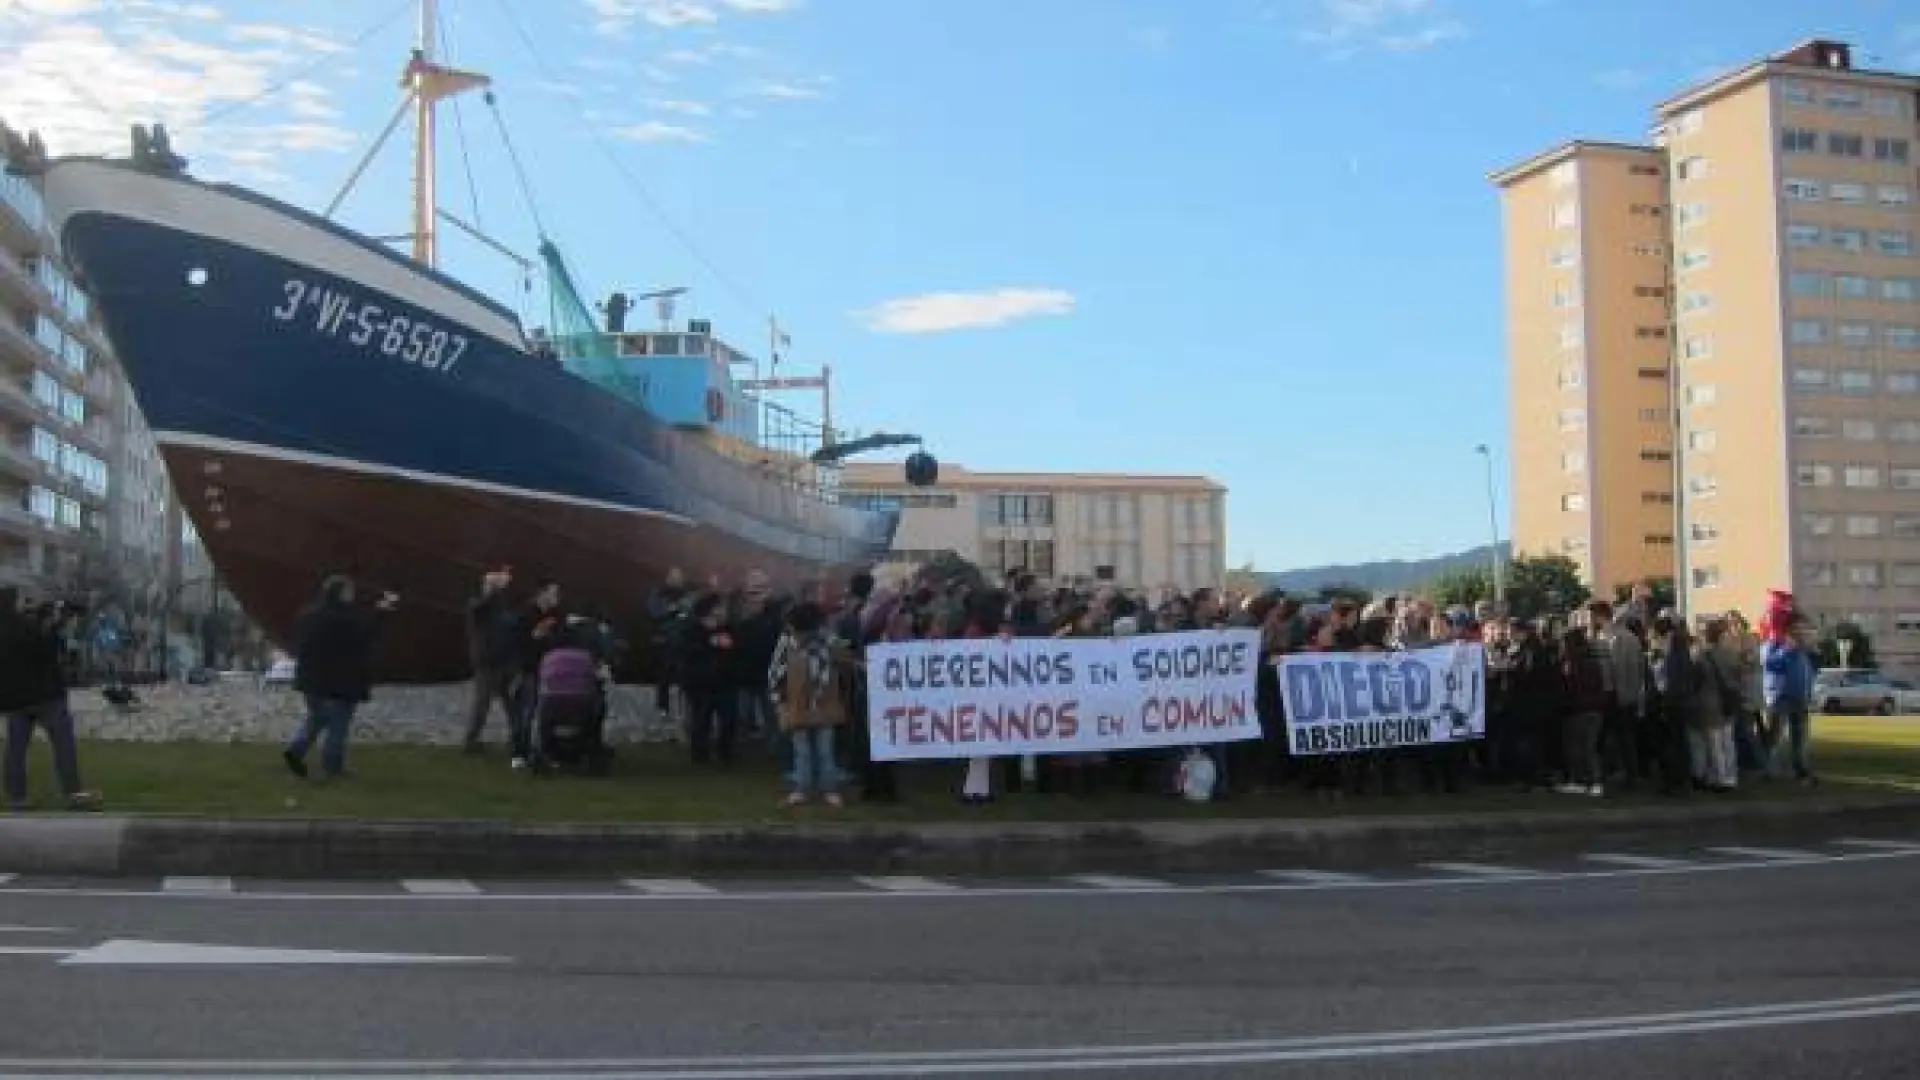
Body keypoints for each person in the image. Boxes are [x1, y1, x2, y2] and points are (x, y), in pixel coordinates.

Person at [285, 575, 394, 780]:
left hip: (311, 681)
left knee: (316, 719)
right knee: (338, 725)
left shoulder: (307, 615)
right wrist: (382, 610)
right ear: (342, 593)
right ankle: (332, 766)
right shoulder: (347, 619)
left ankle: (295, 750)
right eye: (349, 592)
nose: (352, 596)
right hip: (340, 682)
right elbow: (366, 635)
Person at [1, 594, 101, 812]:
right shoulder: (34, 628)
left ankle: (17, 798)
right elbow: (46, 649)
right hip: (46, 697)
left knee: (15, 750)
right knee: (63, 744)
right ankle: (73, 793)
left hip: (15, 700)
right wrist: (58, 621)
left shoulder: (7, 626)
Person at [768, 600, 847, 807]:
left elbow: (845, 660)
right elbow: (775, 672)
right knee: (801, 750)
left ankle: (829, 788)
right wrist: (778, 700)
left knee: (825, 749)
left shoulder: (829, 641)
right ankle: (801, 788)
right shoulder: (786, 643)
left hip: (825, 702)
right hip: (796, 703)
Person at [463, 567, 520, 755]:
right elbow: (481, 607)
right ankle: (470, 741)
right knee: (482, 704)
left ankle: (518, 736)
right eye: (491, 584)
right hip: (487, 663)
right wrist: (496, 588)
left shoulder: (500, 609)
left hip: (504, 662)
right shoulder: (477, 607)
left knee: (512, 703)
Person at [1761, 616, 1817, 784]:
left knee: (1800, 737)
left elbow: (1807, 675)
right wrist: (1785, 649)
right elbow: (1769, 665)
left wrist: (1808, 695)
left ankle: (1800, 768)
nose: (1802, 633)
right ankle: (1769, 769)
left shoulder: (1803, 652)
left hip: (1800, 700)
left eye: (1804, 629)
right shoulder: (1778, 646)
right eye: (1798, 629)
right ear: (1789, 631)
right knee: (1776, 736)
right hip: (1782, 699)